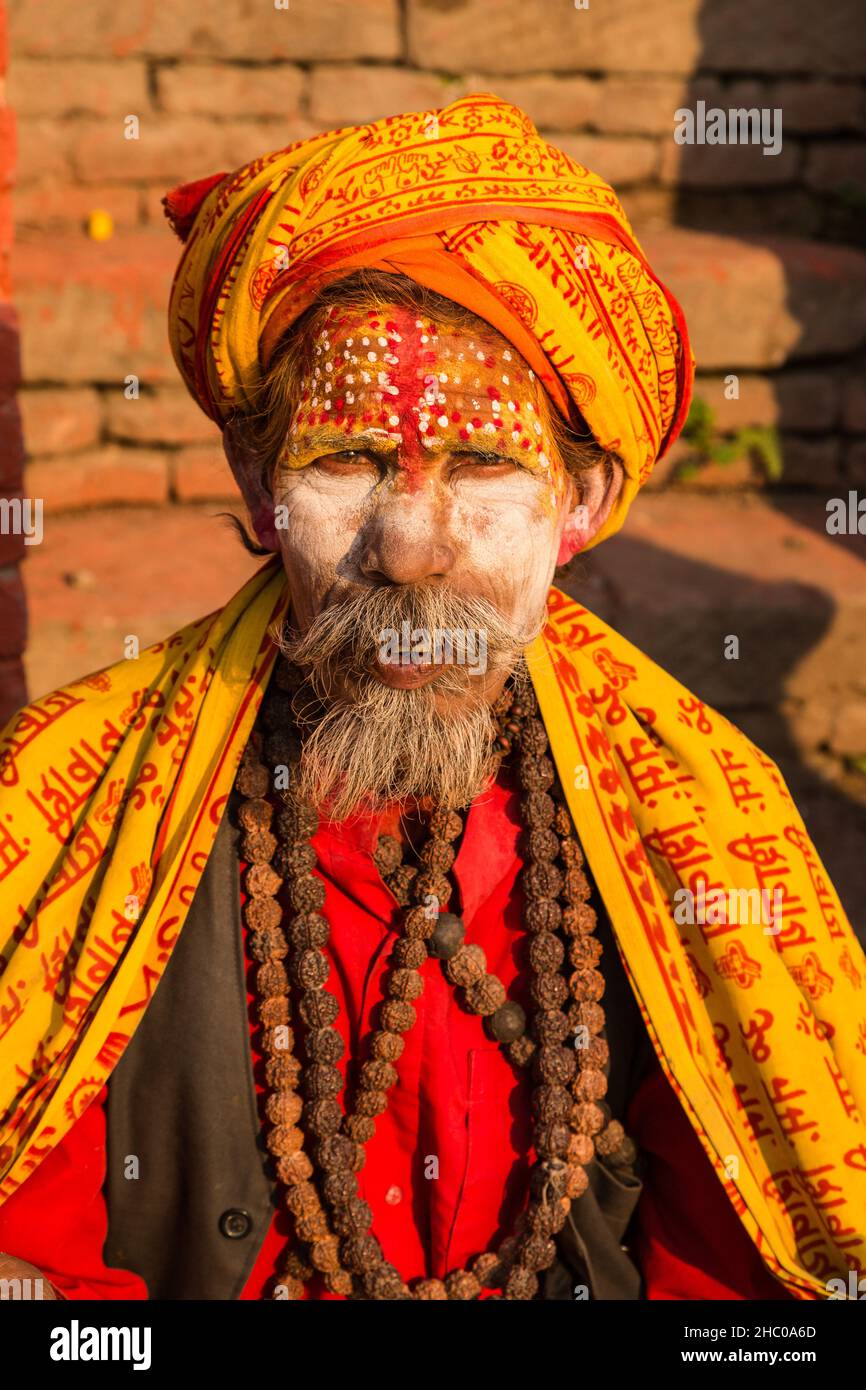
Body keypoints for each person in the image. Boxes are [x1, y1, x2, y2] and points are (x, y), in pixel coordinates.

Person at [0, 95, 863, 1303]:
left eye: (484, 466)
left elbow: (740, 1276)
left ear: (583, 499)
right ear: (257, 485)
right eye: (345, 462)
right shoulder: (72, 808)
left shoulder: (701, 825)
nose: (409, 548)